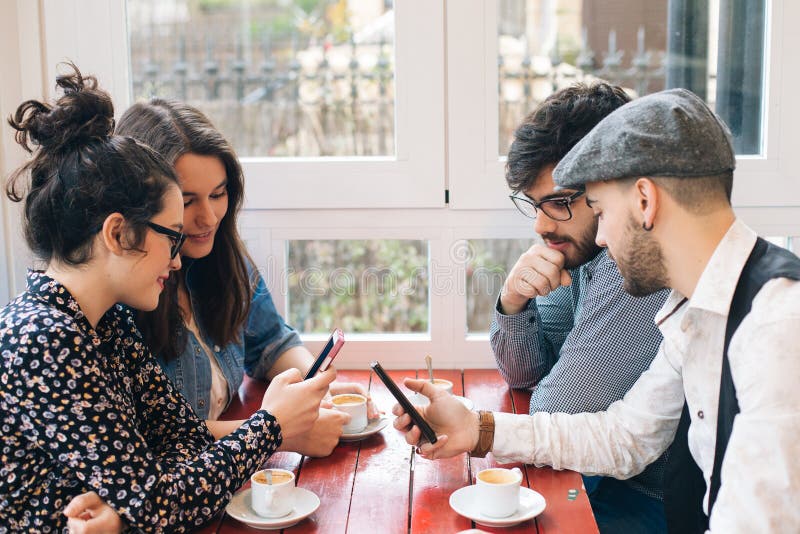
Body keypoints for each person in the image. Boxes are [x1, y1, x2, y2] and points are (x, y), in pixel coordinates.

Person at [394, 88, 800, 532]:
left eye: (600, 211)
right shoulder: (694, 305)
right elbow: (628, 436)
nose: (602, 238)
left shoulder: (778, 325)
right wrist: (476, 428)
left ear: (644, 201)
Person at [0, 64, 334, 532]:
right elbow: (161, 505)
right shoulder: (43, 338)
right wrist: (271, 425)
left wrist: (139, 502)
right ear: (118, 233)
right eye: (171, 237)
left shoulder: (105, 322)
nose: (177, 262)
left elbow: (183, 441)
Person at [115, 99, 372, 456]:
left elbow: (271, 342)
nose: (208, 218)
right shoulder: (123, 299)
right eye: (187, 202)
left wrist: (314, 389)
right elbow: (155, 437)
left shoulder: (223, 261)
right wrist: (277, 433)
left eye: (218, 194)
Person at [492, 83, 669, 532]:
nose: (541, 224)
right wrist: (513, 302)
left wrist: (481, 429)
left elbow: (555, 411)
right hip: (605, 475)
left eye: (558, 202)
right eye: (534, 204)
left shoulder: (632, 264)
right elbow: (526, 374)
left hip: (655, 502)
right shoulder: (581, 250)